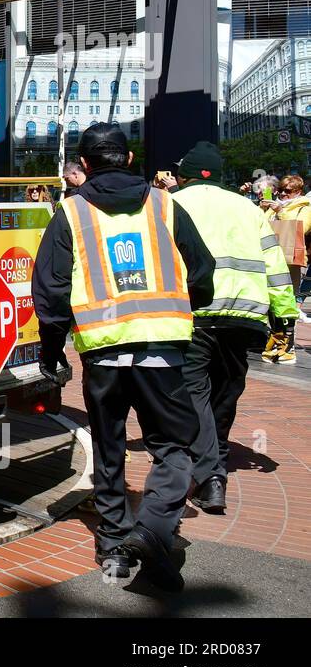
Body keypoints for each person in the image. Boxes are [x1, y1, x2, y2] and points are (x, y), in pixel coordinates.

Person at [33, 123, 214, 590]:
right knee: (175, 448)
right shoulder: (164, 204)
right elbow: (203, 269)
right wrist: (187, 301)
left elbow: (50, 294)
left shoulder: (69, 215)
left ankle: (113, 546)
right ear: (130, 160)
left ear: (85, 166)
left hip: (103, 354)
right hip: (162, 348)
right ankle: (153, 530)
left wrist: (52, 354)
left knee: (110, 450)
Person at [171, 142, 297, 513]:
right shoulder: (249, 208)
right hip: (245, 316)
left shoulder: (171, 204)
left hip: (194, 312)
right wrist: (284, 316)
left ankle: (210, 476)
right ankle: (214, 459)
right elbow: (275, 264)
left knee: (194, 392)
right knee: (225, 392)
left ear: (185, 174)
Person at [270, 175, 310, 327]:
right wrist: (263, 209)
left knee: (287, 300)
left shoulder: (305, 207)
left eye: (287, 191)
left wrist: (281, 212)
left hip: (291, 260)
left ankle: (287, 343)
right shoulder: (273, 207)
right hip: (271, 257)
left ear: (298, 191)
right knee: (271, 300)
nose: (282, 194)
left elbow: (302, 228)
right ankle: (273, 339)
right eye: (280, 190)